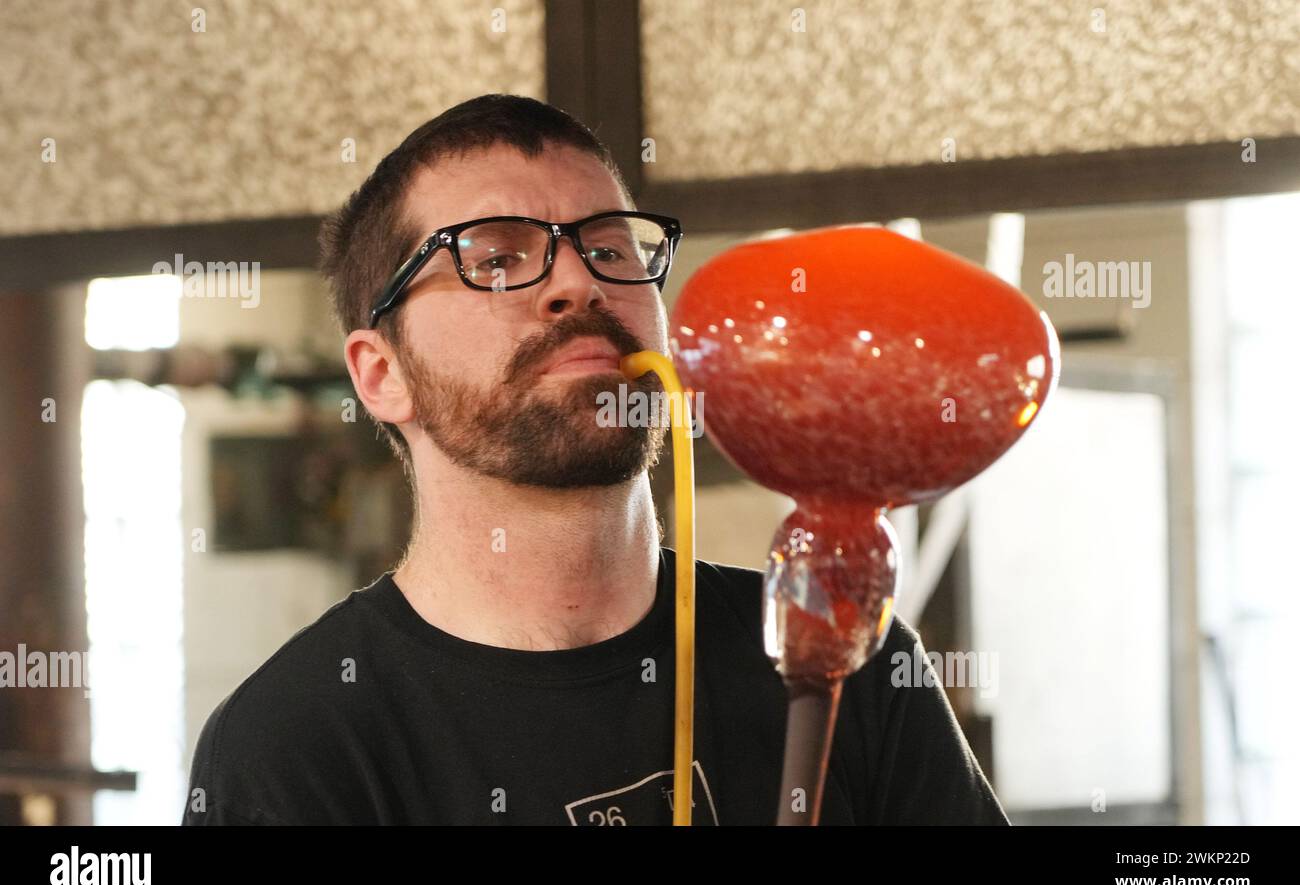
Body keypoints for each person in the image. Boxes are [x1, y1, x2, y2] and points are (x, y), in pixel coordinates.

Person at [181, 94, 1008, 826]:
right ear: (381, 374)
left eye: (610, 249)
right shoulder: (291, 746)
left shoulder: (845, 664)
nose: (579, 283)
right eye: (496, 257)